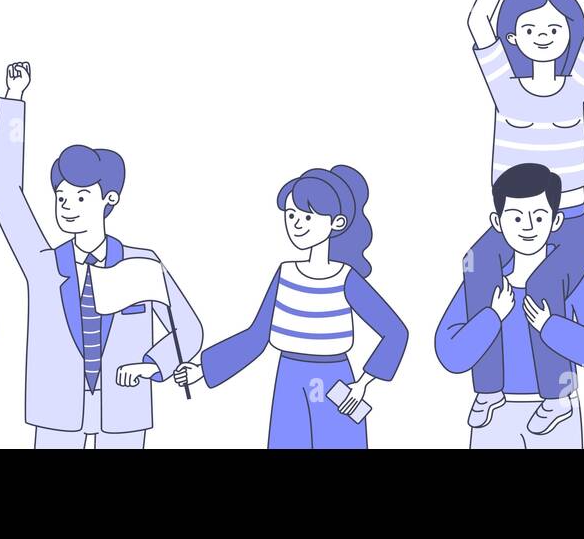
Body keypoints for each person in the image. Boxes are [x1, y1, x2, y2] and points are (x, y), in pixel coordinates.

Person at [0, 62, 202, 449]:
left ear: (109, 200)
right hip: (56, 413)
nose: (67, 206)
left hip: (123, 411)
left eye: (81, 197)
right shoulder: (42, 263)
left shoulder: (141, 264)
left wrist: (152, 365)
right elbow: (4, 192)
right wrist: (13, 100)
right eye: (61, 197)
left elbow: (188, 330)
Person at [462, 0, 584, 432]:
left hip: (570, 218)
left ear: (568, 35)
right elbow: (476, 20)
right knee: (477, 266)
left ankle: (558, 396)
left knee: (546, 281)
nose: (542, 36)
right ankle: (489, 388)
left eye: (554, 28)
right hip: (512, 218)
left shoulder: (578, 86)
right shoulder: (504, 85)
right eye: (529, 29)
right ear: (514, 37)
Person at [172, 166, 408, 449]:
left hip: (335, 382)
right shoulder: (285, 274)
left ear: (337, 222)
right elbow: (256, 337)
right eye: (291, 215)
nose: (296, 223)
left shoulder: (346, 279)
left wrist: (363, 384)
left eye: (307, 216)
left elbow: (395, 332)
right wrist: (203, 368)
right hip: (289, 380)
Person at [436, 163, 584, 448]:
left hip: (559, 414)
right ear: (497, 222)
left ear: (556, 222)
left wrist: (551, 327)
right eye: (516, 218)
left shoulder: (575, 279)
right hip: (495, 415)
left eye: (539, 216)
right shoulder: (484, 282)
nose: (528, 228)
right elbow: (450, 354)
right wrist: (491, 317)